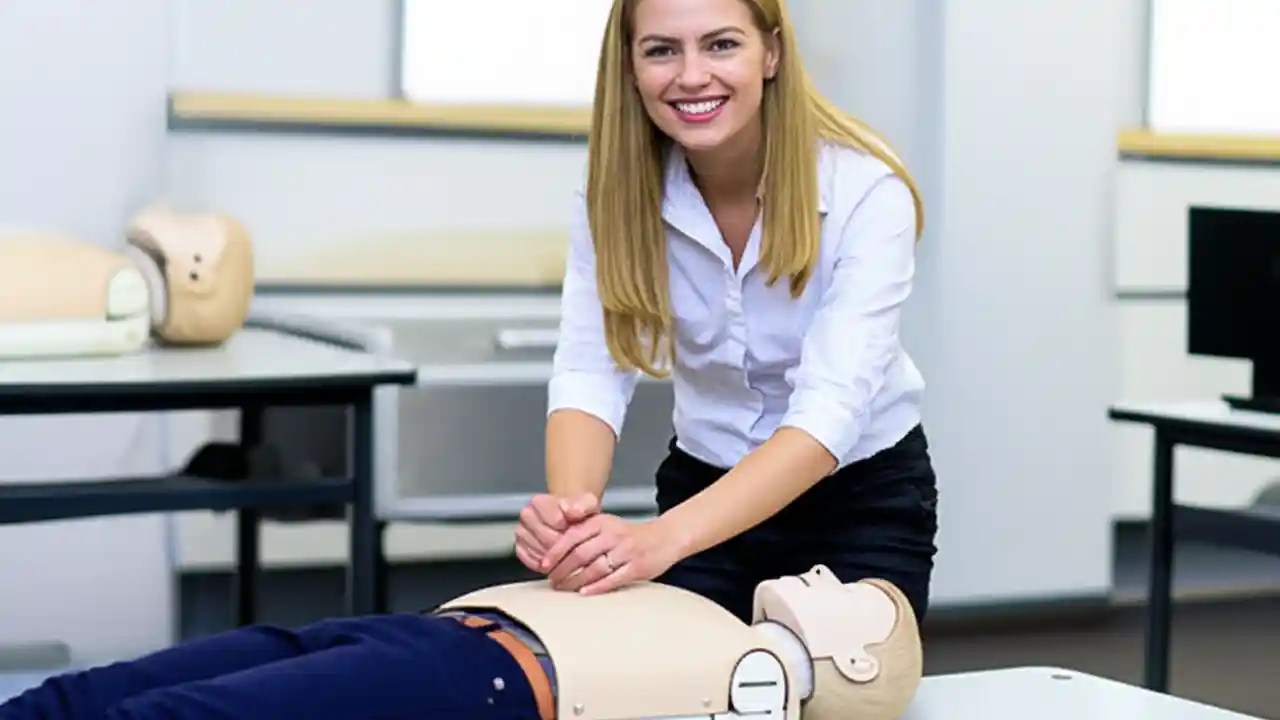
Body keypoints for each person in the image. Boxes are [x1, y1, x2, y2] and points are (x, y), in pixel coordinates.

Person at [516, 0, 939, 625]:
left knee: (836, 695)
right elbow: (590, 366)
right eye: (662, 50)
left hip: (858, 502)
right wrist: (573, 518)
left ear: (770, 52)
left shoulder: (867, 193)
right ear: (630, 67)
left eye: (720, 45)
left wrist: (661, 539)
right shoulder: (613, 194)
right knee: (682, 692)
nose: (691, 76)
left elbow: (828, 416)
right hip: (702, 492)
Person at [0, 566, 923, 719]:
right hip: (428, 634)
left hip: (470, 676)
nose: (819, 579)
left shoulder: (750, 676)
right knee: (84, 699)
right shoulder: (711, 614)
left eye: (847, 598)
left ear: (854, 663)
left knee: (156, 717)